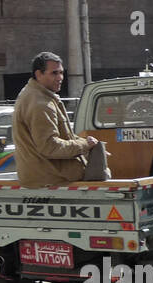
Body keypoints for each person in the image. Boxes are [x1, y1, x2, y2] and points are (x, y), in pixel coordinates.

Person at [13, 52, 102, 186]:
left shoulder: (37, 96)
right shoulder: (40, 103)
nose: (60, 77)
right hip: (51, 181)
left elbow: (61, 139)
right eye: (54, 73)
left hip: (46, 179)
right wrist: (85, 145)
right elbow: (50, 146)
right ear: (38, 74)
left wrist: (86, 143)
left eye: (61, 72)